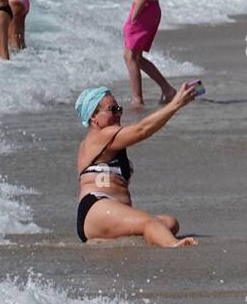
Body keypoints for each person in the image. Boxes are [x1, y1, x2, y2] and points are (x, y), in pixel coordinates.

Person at [74, 83, 200, 248]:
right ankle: (173, 246)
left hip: (108, 212)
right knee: (148, 223)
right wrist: (175, 104)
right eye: (112, 110)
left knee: (169, 223)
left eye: (119, 109)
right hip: (96, 206)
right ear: (93, 117)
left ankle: (106, 240)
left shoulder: (107, 140)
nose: (118, 114)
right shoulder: (99, 136)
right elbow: (142, 130)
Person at [110, 0, 176, 108]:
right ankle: (167, 90)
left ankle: (137, 99)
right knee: (136, 57)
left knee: (129, 55)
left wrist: (133, 17)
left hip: (145, 10)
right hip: (151, 9)